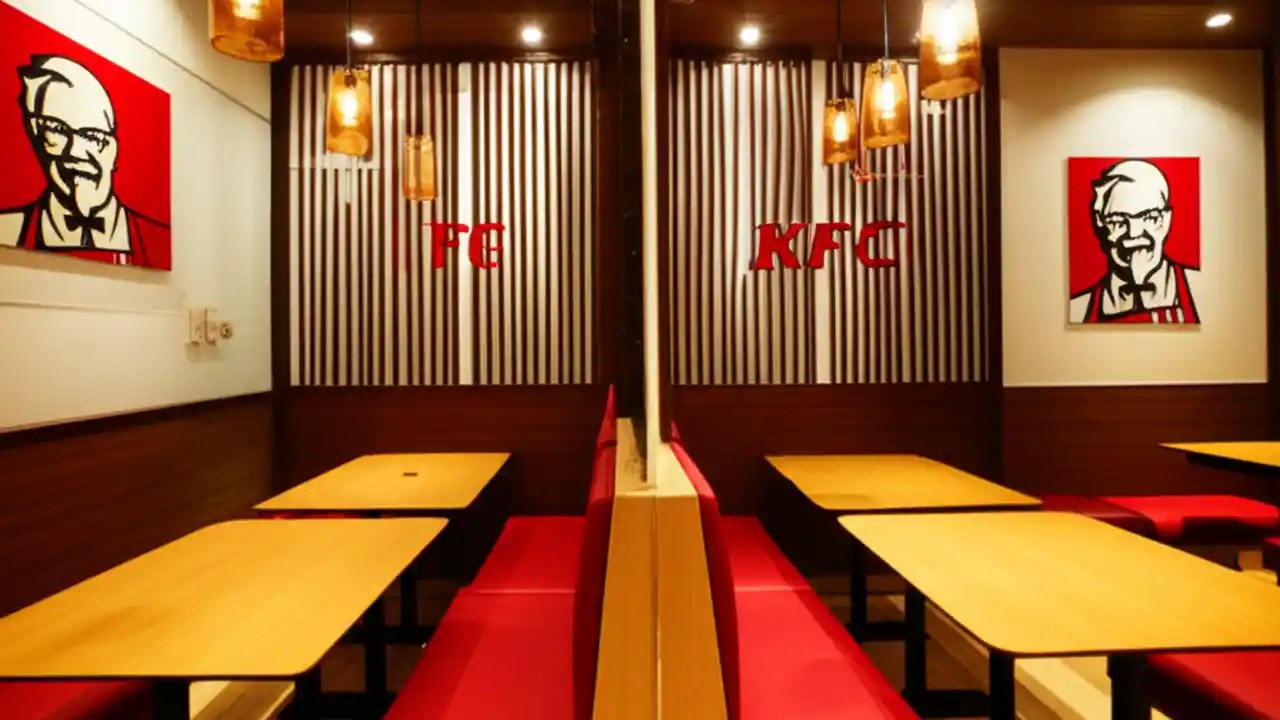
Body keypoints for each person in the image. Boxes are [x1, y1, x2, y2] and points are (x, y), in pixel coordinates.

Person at [0, 55, 168, 267]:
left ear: (113, 149)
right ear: (36, 137)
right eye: (57, 130)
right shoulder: (9, 229)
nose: (76, 152)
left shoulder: (157, 240)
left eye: (92, 136)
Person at [1069, 159, 1199, 324]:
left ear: (1166, 221)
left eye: (1149, 218)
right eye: (1118, 221)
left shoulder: (1200, 290)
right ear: (1099, 222)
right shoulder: (1078, 310)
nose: (1134, 234)